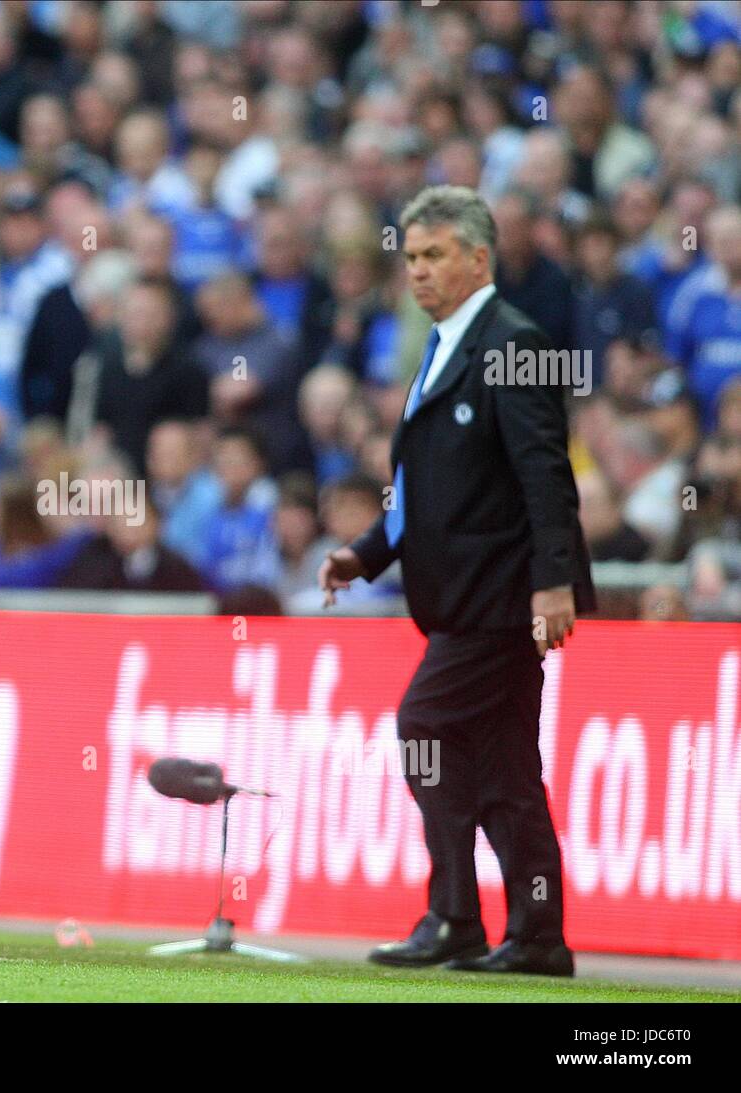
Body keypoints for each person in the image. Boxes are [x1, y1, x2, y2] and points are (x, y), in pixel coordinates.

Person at [319, 185, 596, 977]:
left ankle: (454, 915)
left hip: (501, 599)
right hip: (463, 597)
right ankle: (539, 935)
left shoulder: (515, 342)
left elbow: (546, 475)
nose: (419, 272)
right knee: (507, 771)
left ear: (481, 257)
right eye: (410, 257)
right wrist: (366, 553)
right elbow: (422, 490)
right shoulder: (442, 346)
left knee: (424, 727)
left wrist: (554, 582)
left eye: (435, 255)